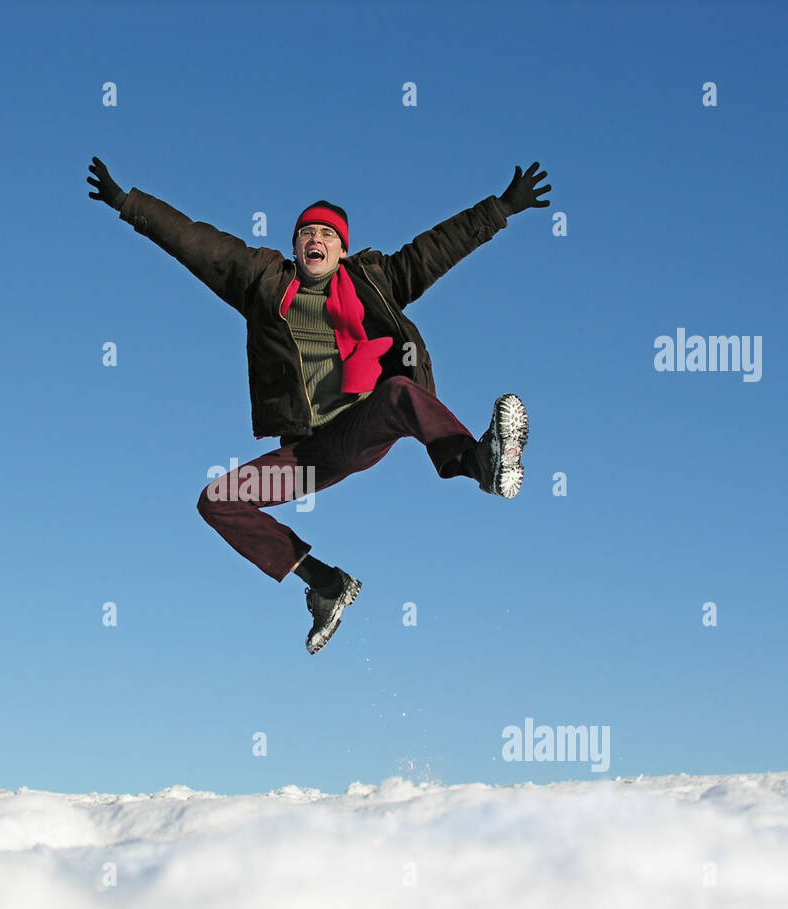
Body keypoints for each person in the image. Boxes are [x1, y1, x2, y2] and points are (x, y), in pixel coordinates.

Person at [87, 156, 549, 653]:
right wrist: (127, 203)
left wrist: (500, 208)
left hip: (359, 427)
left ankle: (478, 461)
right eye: (307, 233)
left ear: (342, 248)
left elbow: (434, 250)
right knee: (218, 501)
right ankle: (325, 583)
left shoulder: (376, 281)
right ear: (294, 246)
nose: (317, 241)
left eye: (328, 235)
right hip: (308, 454)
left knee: (397, 391)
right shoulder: (261, 281)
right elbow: (197, 243)